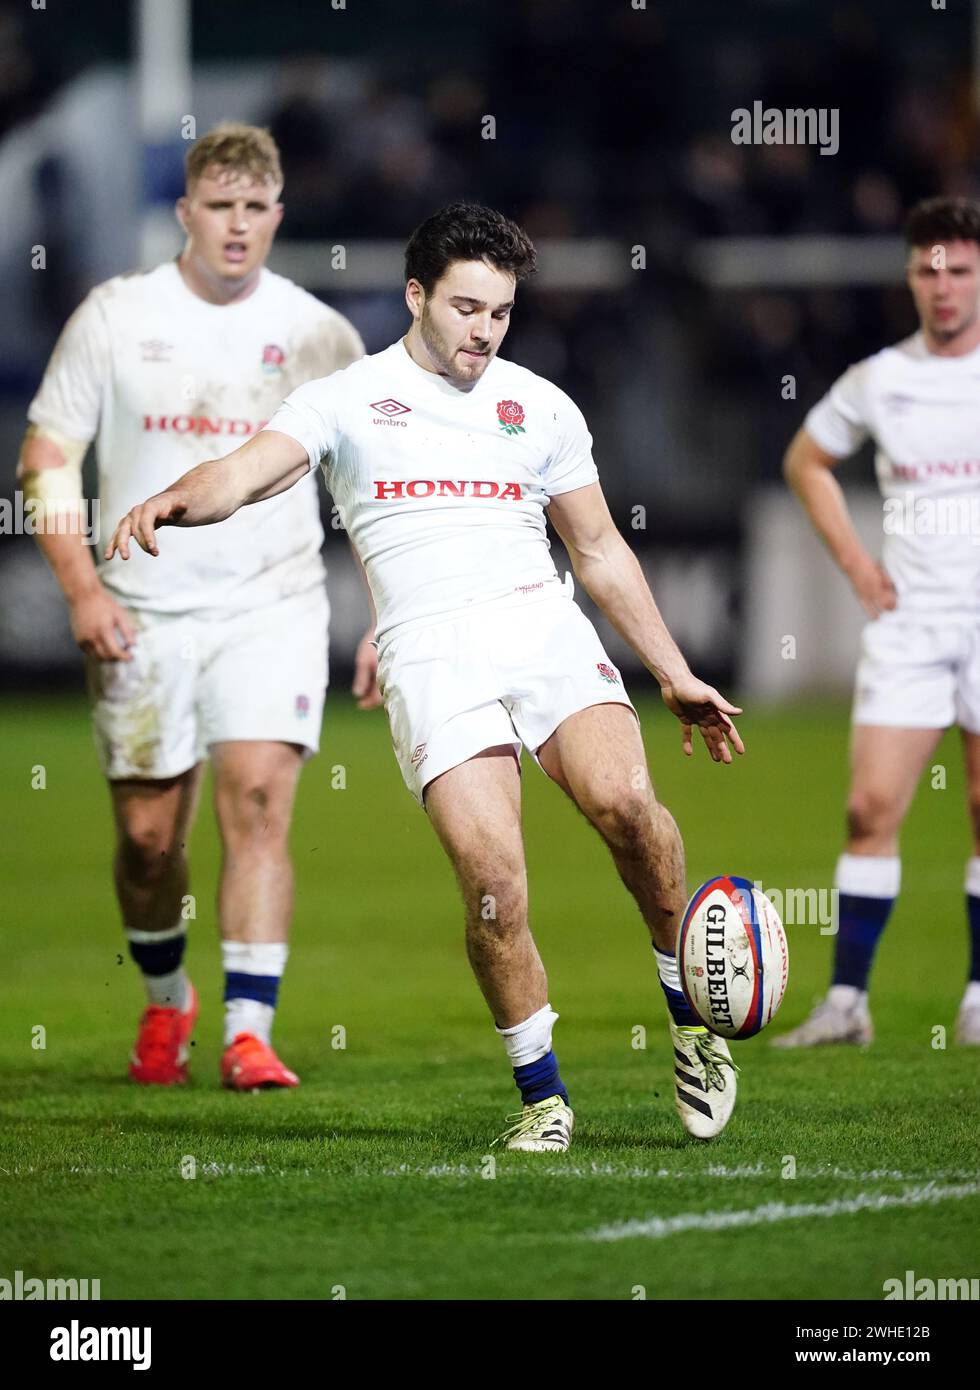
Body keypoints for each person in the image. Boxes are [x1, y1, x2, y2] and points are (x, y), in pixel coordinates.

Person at [106, 202, 745, 1147]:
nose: (483, 330)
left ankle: (694, 1027)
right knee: (493, 882)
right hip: (432, 657)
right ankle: (545, 1101)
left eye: (500, 312)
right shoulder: (346, 400)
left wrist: (675, 672)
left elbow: (601, 549)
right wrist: (171, 498)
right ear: (416, 296)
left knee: (631, 811)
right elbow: (246, 474)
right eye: (465, 308)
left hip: (543, 631)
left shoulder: (541, 407)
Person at [19, 122, 372, 1090]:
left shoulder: (317, 331)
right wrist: (82, 588)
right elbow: (48, 456)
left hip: (275, 604)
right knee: (146, 839)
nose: (237, 226)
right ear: (183, 212)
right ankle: (167, 1001)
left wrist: (383, 610)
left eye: (256, 208)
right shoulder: (116, 315)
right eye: (219, 206)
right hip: (142, 608)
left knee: (257, 801)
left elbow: (363, 483)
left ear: (277, 215)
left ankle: (248, 1033)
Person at [774, 195, 980, 1049]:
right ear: (909, 276)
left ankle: (977, 998)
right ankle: (848, 1004)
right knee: (868, 807)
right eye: (928, 270)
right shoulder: (881, 377)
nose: (943, 287)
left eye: (960, 270)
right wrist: (858, 565)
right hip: (911, 625)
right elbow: (807, 458)